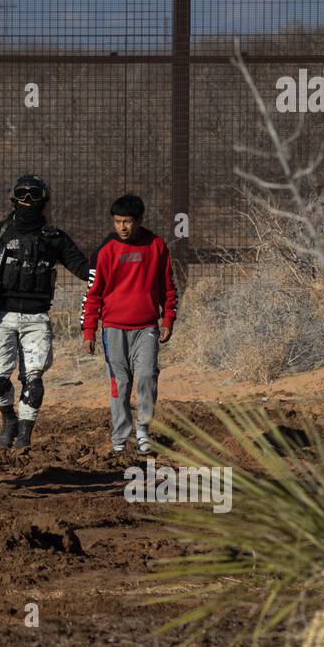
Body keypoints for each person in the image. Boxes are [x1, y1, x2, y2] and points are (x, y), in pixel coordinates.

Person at [0, 174, 89, 451]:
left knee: (33, 382)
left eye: (34, 195)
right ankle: (9, 419)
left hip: (37, 318)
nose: (27, 200)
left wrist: (113, 255)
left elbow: (83, 269)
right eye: (22, 194)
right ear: (13, 199)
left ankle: (24, 435)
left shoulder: (54, 238)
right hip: (0, 315)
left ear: (44, 200)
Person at [81, 194, 178, 455]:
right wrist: (89, 330)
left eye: (128, 221)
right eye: (118, 221)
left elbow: (168, 288)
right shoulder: (106, 251)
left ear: (140, 220)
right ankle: (120, 438)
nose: (123, 227)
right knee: (120, 383)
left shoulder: (157, 246)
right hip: (113, 328)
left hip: (147, 327)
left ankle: (144, 430)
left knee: (147, 377)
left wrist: (168, 318)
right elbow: (93, 293)